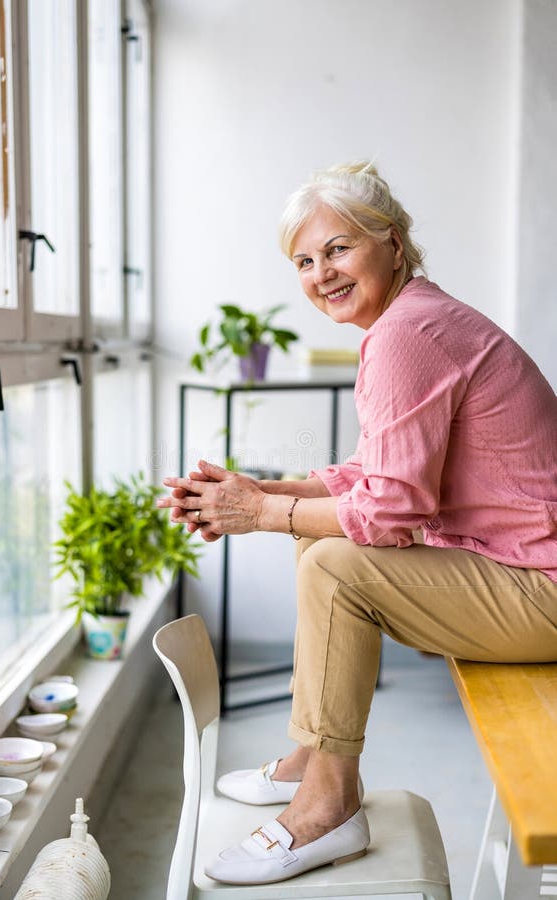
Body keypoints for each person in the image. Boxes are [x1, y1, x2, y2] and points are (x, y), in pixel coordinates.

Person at [158, 162, 557, 886]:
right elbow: (375, 477)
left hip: (543, 586)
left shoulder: (408, 334)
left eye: (338, 248)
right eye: (305, 261)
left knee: (339, 563)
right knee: (319, 535)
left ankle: (331, 805)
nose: (320, 273)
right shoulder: (414, 320)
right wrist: (259, 492)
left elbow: (391, 513)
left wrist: (258, 514)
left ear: (394, 245)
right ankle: (313, 758)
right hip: (519, 568)